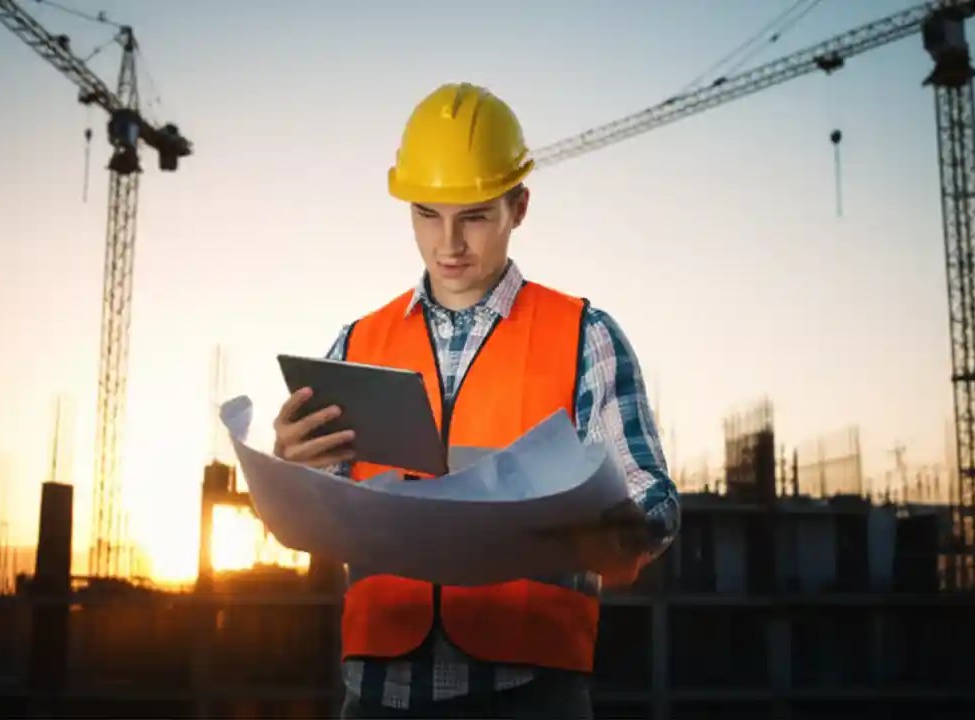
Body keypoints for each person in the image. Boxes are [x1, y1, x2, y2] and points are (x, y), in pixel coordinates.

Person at [272, 82, 681, 719]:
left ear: (519, 206)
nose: (449, 244)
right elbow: (315, 516)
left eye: (475, 216)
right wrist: (290, 469)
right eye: (427, 215)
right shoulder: (358, 343)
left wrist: (620, 530)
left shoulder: (583, 336)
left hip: (531, 692)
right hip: (379, 692)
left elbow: (652, 495)